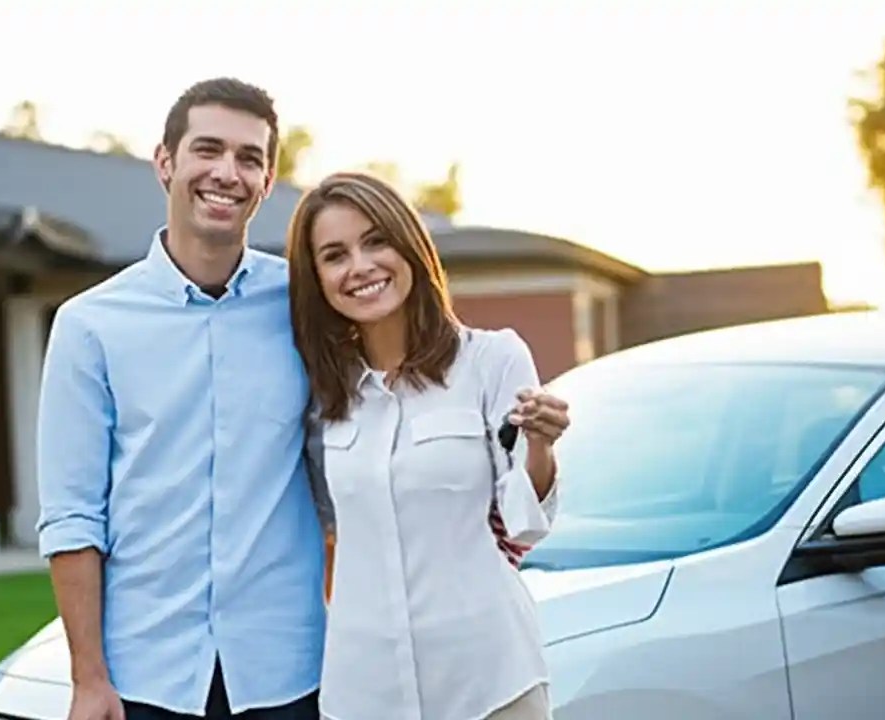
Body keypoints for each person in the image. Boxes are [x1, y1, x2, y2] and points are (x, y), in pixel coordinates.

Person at [35, 78, 326, 720]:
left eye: (249, 158)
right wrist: (89, 679)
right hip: (149, 681)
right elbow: (72, 515)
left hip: (291, 674)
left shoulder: (307, 306)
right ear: (165, 162)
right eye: (208, 149)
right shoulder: (89, 325)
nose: (228, 172)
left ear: (268, 180)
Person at [286, 171, 570, 720]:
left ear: (410, 246)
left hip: (490, 681)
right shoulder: (321, 392)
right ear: (316, 278)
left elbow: (524, 524)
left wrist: (539, 446)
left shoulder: (493, 361)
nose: (361, 266)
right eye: (335, 255)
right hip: (365, 691)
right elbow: (318, 532)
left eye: (376, 241)